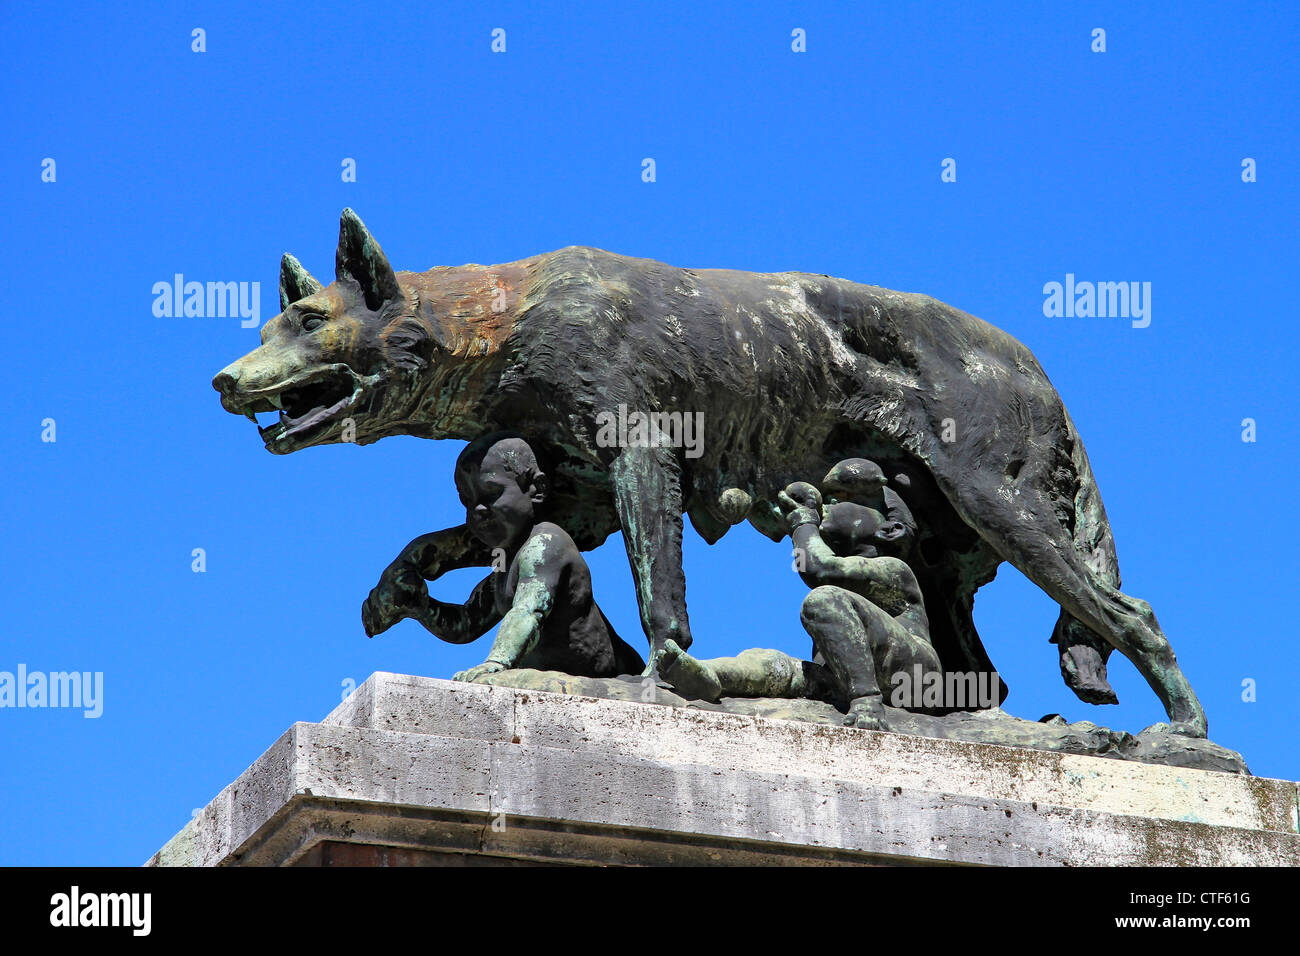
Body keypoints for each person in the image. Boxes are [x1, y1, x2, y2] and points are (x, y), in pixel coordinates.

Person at [661, 462, 941, 731]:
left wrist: (802, 522)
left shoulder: (895, 570)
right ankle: (713, 676)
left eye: (842, 497)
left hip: (915, 677)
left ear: (889, 530)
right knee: (773, 663)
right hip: (840, 678)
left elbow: (822, 570)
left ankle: (867, 702)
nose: (826, 505)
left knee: (824, 601)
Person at [363, 432, 644, 681]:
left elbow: (529, 611)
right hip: (557, 677)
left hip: (615, 673)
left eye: (492, 493)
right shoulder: (505, 563)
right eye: (467, 501)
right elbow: (466, 622)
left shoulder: (547, 542)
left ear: (538, 489)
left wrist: (497, 663)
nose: (478, 510)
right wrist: (419, 607)